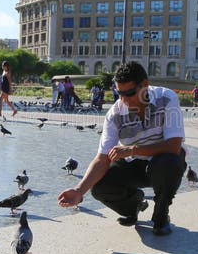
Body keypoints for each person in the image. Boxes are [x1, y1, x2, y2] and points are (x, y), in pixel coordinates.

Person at [58, 61, 186, 236]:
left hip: (163, 163)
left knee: (170, 162)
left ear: (145, 85)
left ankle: (161, 215)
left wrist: (133, 149)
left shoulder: (167, 98)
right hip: (135, 165)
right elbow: (102, 158)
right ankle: (133, 206)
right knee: (100, 187)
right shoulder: (115, 114)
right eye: (119, 94)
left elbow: (173, 146)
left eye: (130, 93)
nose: (124, 100)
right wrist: (79, 191)